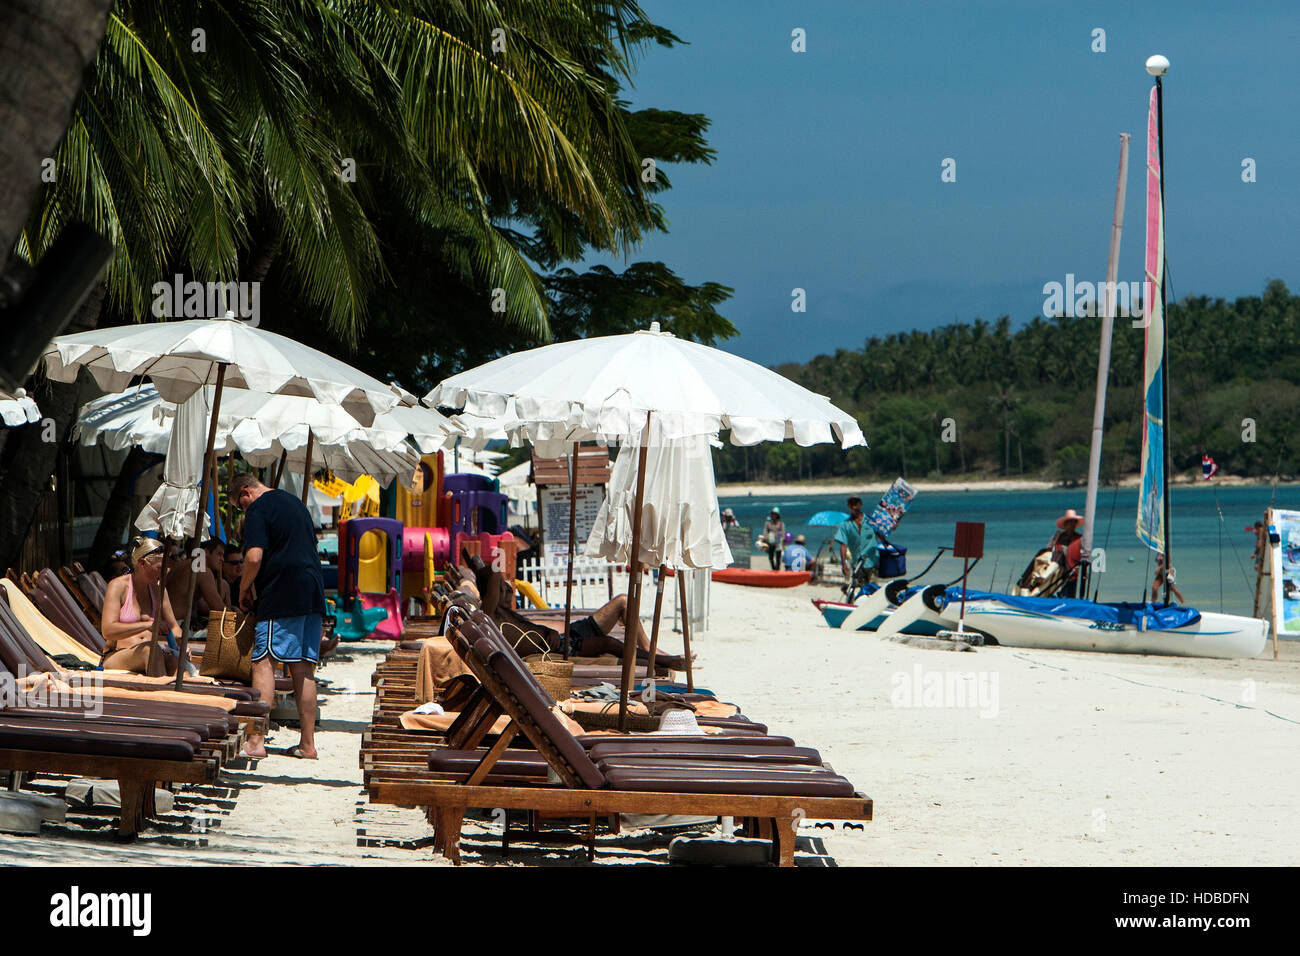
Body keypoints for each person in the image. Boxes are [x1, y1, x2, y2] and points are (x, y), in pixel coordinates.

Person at [229, 472, 325, 760]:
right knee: (303, 668)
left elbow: (254, 557)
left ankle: (256, 741)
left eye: (239, 506)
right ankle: (307, 744)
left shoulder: (258, 508)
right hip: (312, 590)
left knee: (263, 662)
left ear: (245, 493)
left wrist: (243, 588)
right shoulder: (295, 503)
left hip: (282, 591)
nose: (243, 511)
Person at [463, 559, 693, 671]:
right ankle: (663, 660)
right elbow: (493, 580)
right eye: (504, 591)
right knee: (609, 643)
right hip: (559, 647)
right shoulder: (490, 614)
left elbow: (530, 630)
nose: (508, 595)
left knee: (619, 616)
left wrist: (548, 631)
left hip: (562, 638)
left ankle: (658, 658)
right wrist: (490, 563)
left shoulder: (502, 615)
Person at [99, 538, 184, 676]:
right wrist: (148, 625)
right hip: (117, 655)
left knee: (174, 662)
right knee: (150, 650)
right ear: (142, 563)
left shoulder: (159, 591)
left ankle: (181, 690)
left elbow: (175, 628)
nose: (164, 573)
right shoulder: (118, 586)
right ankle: (159, 688)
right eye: (159, 568)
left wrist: (182, 646)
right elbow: (108, 631)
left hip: (152, 653)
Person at [834, 496, 878, 588]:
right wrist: (844, 564)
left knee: (873, 588)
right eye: (851, 503)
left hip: (873, 561)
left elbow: (881, 534)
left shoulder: (871, 520)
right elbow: (843, 545)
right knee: (861, 589)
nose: (854, 506)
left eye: (856, 503)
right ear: (849, 506)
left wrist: (893, 526)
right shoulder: (846, 525)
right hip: (857, 563)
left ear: (860, 504)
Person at [1049, 509, 1086, 597]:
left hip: (1072, 573)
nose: (1072, 524)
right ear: (1065, 524)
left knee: (1070, 596)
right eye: (1070, 522)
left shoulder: (1080, 539)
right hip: (1057, 574)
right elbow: (1048, 550)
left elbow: (1084, 554)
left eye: (1074, 522)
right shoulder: (1057, 537)